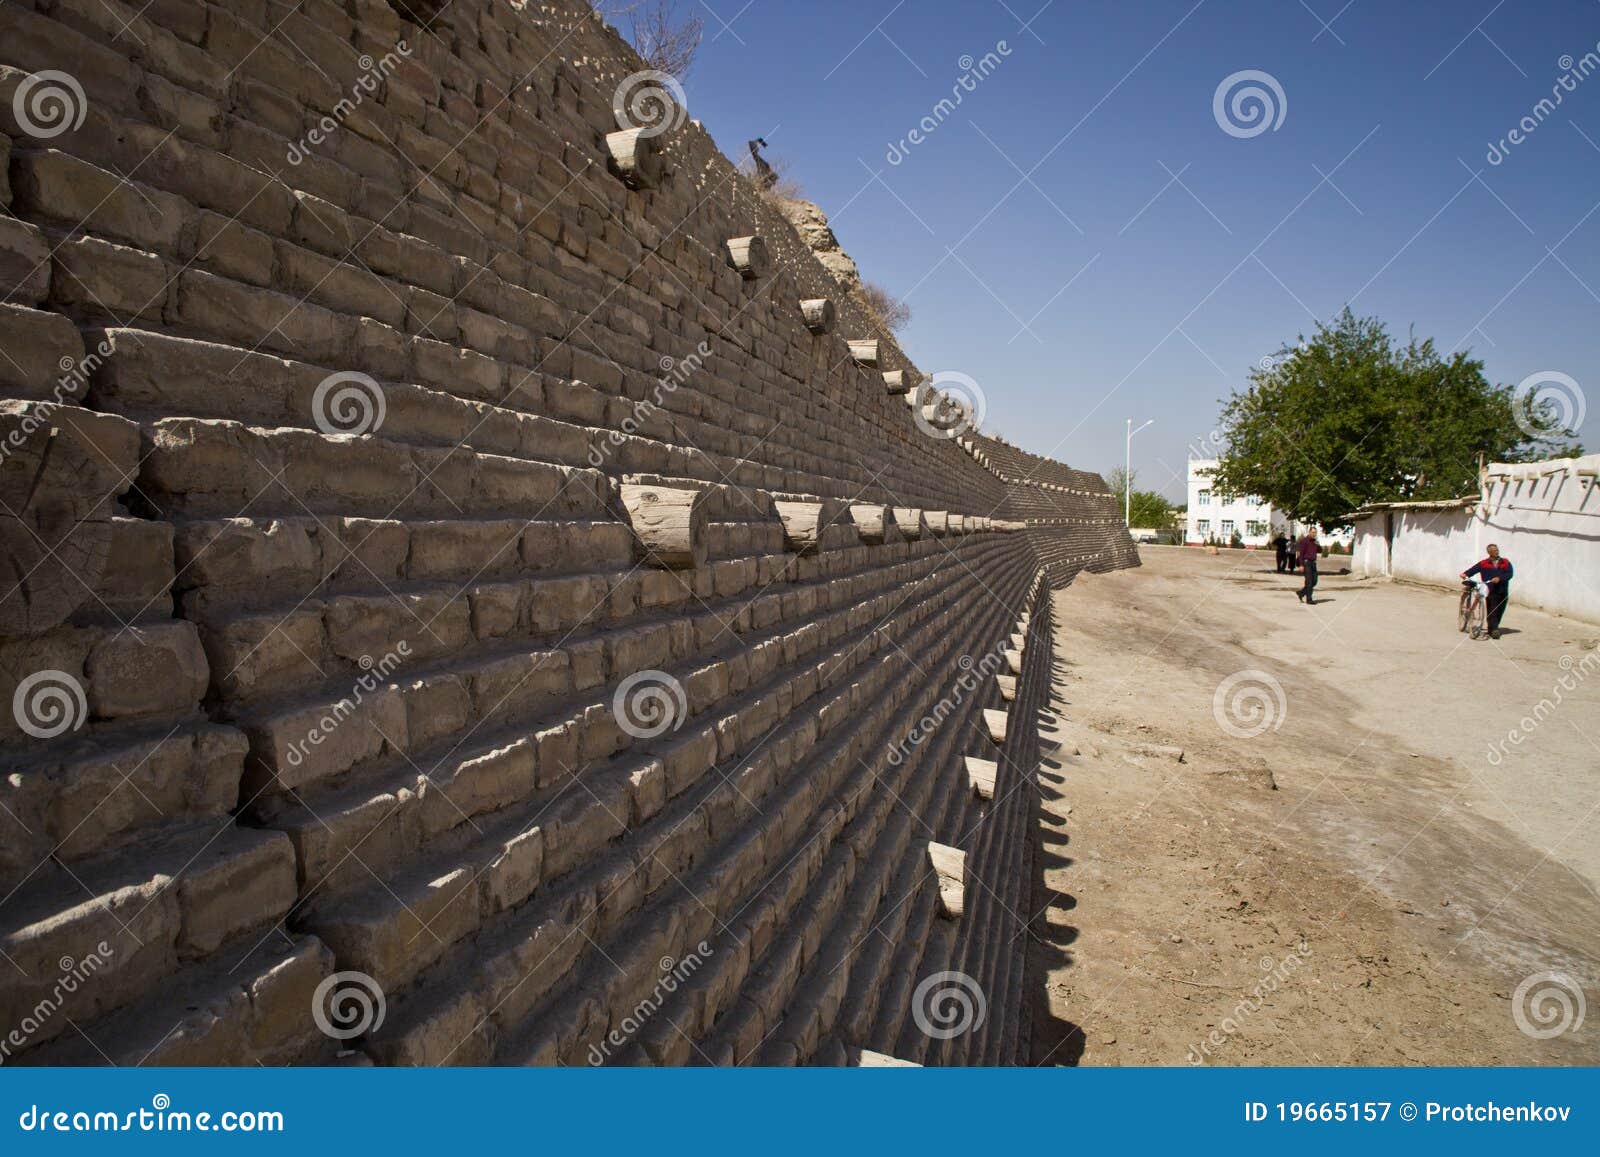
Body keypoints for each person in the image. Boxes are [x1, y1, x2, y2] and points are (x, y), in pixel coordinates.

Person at [1461, 544, 1513, 638]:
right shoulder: (1484, 563)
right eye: (1494, 550)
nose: (1497, 551)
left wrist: (1500, 578)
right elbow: (1474, 569)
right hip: (1490, 590)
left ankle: (1493, 628)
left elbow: (1510, 574)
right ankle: (1494, 629)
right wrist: (1465, 574)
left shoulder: (1505, 562)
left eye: (1497, 550)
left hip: (1502, 589)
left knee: (1500, 609)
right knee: (1492, 609)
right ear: (1489, 552)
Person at [1294, 528, 1324, 604]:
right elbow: (1301, 554)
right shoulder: (1304, 541)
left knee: (1314, 581)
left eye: (1315, 533)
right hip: (1306, 563)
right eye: (1313, 532)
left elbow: (1320, 551)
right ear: (1309, 532)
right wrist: (1301, 565)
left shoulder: (1315, 542)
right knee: (1309, 581)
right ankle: (1309, 599)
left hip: (1313, 563)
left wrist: (1318, 544)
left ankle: (1301, 593)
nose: (1314, 534)